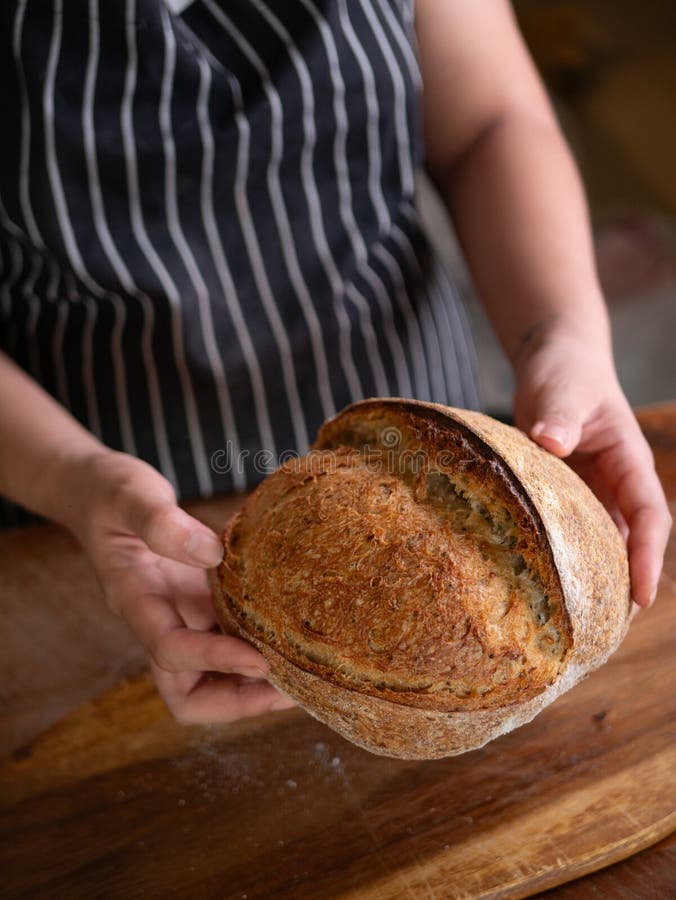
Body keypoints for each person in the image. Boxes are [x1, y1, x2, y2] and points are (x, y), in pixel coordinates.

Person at [0, 0, 670, 727]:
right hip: (97, 487)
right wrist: (72, 479)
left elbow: (490, 119)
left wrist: (561, 337)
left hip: (426, 420)